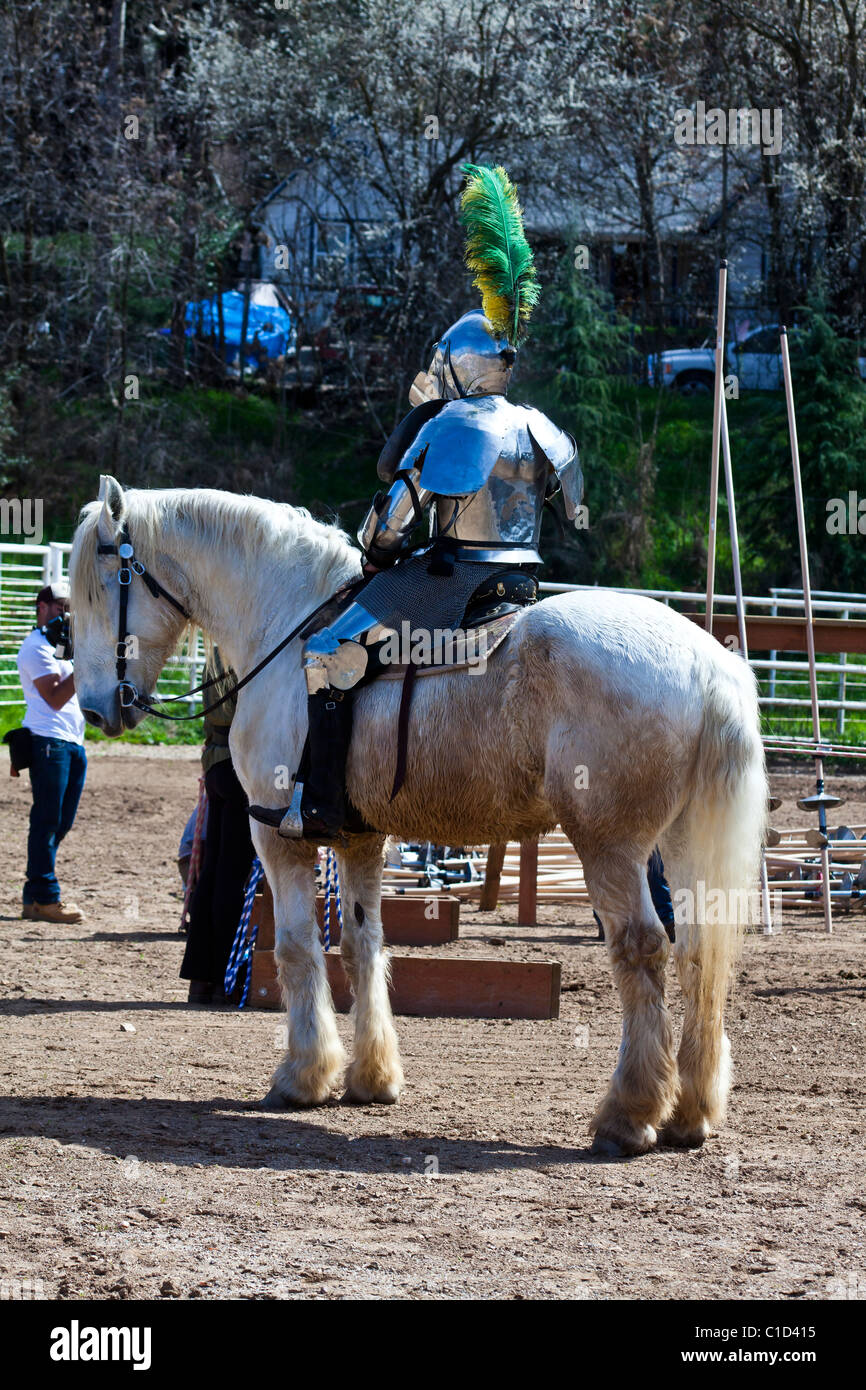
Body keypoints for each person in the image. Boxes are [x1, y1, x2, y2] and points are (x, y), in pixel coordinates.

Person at [250, 163, 583, 842]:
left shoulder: (458, 423)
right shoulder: (538, 425)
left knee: (326, 648)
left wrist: (378, 549)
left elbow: (394, 517)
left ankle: (320, 803)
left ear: (456, 368)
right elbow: (565, 508)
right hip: (522, 578)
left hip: (455, 581)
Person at [180, 652, 255, 1005]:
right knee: (232, 876)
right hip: (240, 769)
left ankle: (201, 978)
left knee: (213, 873)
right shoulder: (245, 647)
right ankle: (228, 977)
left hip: (217, 767)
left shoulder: (216, 652)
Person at [15, 579, 87, 923]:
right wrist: (84, 662)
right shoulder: (36, 647)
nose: (67, 614)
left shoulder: (60, 647)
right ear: (42, 607)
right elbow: (56, 698)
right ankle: (45, 896)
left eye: (70, 608)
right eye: (61, 607)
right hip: (49, 740)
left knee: (60, 821)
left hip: (69, 741)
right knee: (47, 820)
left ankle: (34, 896)